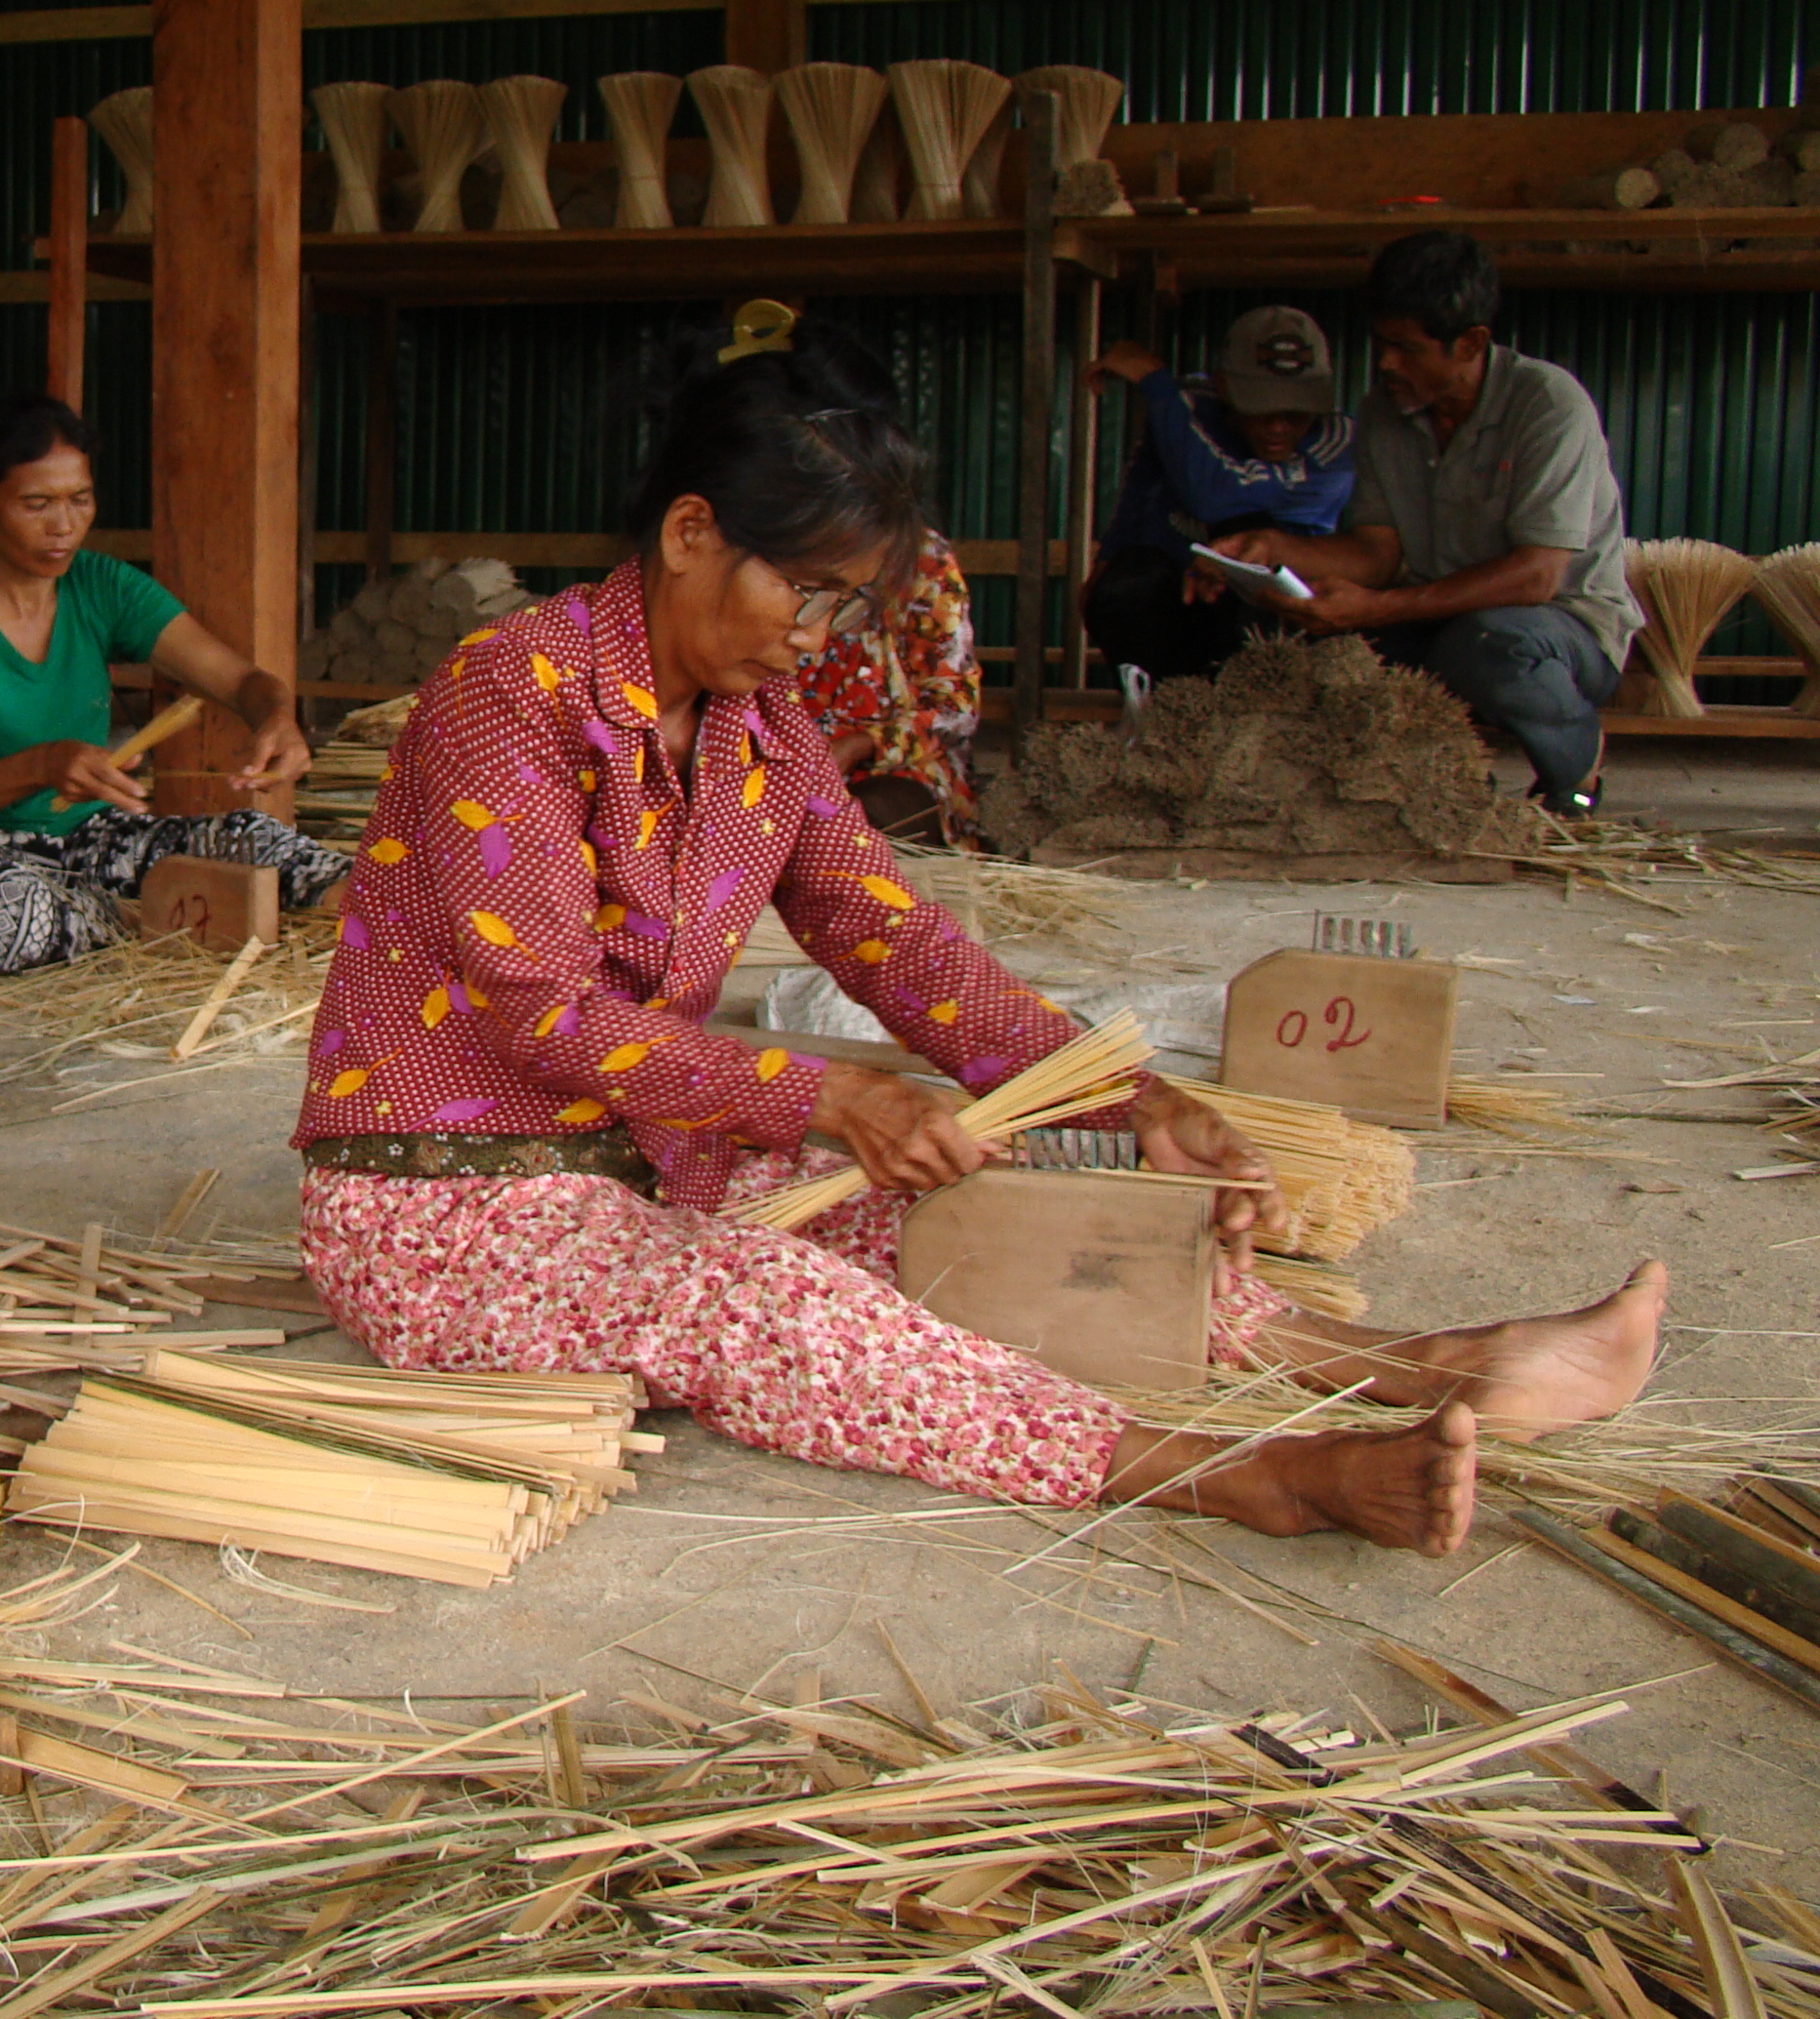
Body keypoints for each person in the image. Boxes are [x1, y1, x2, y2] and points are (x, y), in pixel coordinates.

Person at [291, 335, 1664, 1551]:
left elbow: (902, 950)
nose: (822, 640)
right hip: (444, 1199)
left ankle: (1421, 1369)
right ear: (693, 533)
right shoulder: (512, 695)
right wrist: (832, 1094)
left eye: (850, 609)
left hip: (654, 1161)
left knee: (988, 1215)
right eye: (810, 594)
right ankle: (1250, 1479)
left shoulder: (765, 734)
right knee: (759, 1300)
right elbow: (548, 1018)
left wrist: (1134, 1100)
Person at [0, 393, 347, 975]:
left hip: (86, 841)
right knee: (13, 916)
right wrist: (42, 764)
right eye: (36, 504)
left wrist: (276, 718)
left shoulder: (101, 585)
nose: (64, 526)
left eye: (80, 499)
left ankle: (157, 918)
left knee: (260, 841)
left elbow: (243, 680)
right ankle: (162, 922)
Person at [1200, 231, 1638, 817]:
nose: (1386, 363)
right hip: (1442, 616)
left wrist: (1377, 609)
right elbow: (1378, 554)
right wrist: (1272, 551)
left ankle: (1574, 766)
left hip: (1564, 630)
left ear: (1471, 343)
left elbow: (1536, 577)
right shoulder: (1387, 408)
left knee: (1485, 644)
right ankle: (1422, 775)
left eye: (1406, 348)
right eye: (1381, 343)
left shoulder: (1549, 404)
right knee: (1277, 622)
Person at [750, 311, 981, 842]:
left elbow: (955, 709)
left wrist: (860, 744)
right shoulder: (751, 550)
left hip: (890, 770)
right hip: (767, 770)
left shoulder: (920, 557)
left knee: (863, 824)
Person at [1080, 305, 1358, 681]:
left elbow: (1218, 498)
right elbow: (1143, 499)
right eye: (1261, 408)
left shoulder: (1336, 440)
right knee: (1130, 585)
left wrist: (1155, 382)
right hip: (1184, 609)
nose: (1279, 426)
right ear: (1225, 386)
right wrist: (1109, 567)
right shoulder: (1189, 406)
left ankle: (1254, 720)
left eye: (1296, 411)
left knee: (1254, 552)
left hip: (1263, 621)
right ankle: (1161, 714)